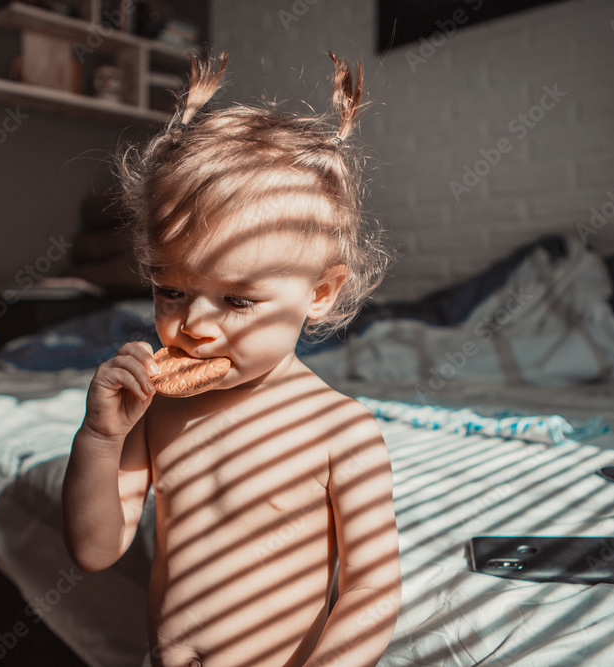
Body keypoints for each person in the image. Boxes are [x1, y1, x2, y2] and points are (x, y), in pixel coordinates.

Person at [62, 51, 401, 667]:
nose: (193, 325)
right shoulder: (159, 410)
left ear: (319, 294)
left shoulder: (340, 431)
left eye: (238, 299)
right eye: (171, 290)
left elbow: (372, 588)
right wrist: (99, 436)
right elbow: (93, 548)